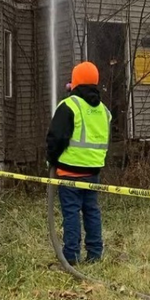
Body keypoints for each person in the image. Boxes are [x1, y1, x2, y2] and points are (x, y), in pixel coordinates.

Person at [45, 61, 111, 265]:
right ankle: (95, 254)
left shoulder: (69, 106)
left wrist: (50, 160)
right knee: (92, 211)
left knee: (71, 212)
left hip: (69, 171)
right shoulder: (104, 110)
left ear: (75, 82)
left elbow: (56, 138)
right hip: (93, 172)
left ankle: (71, 256)